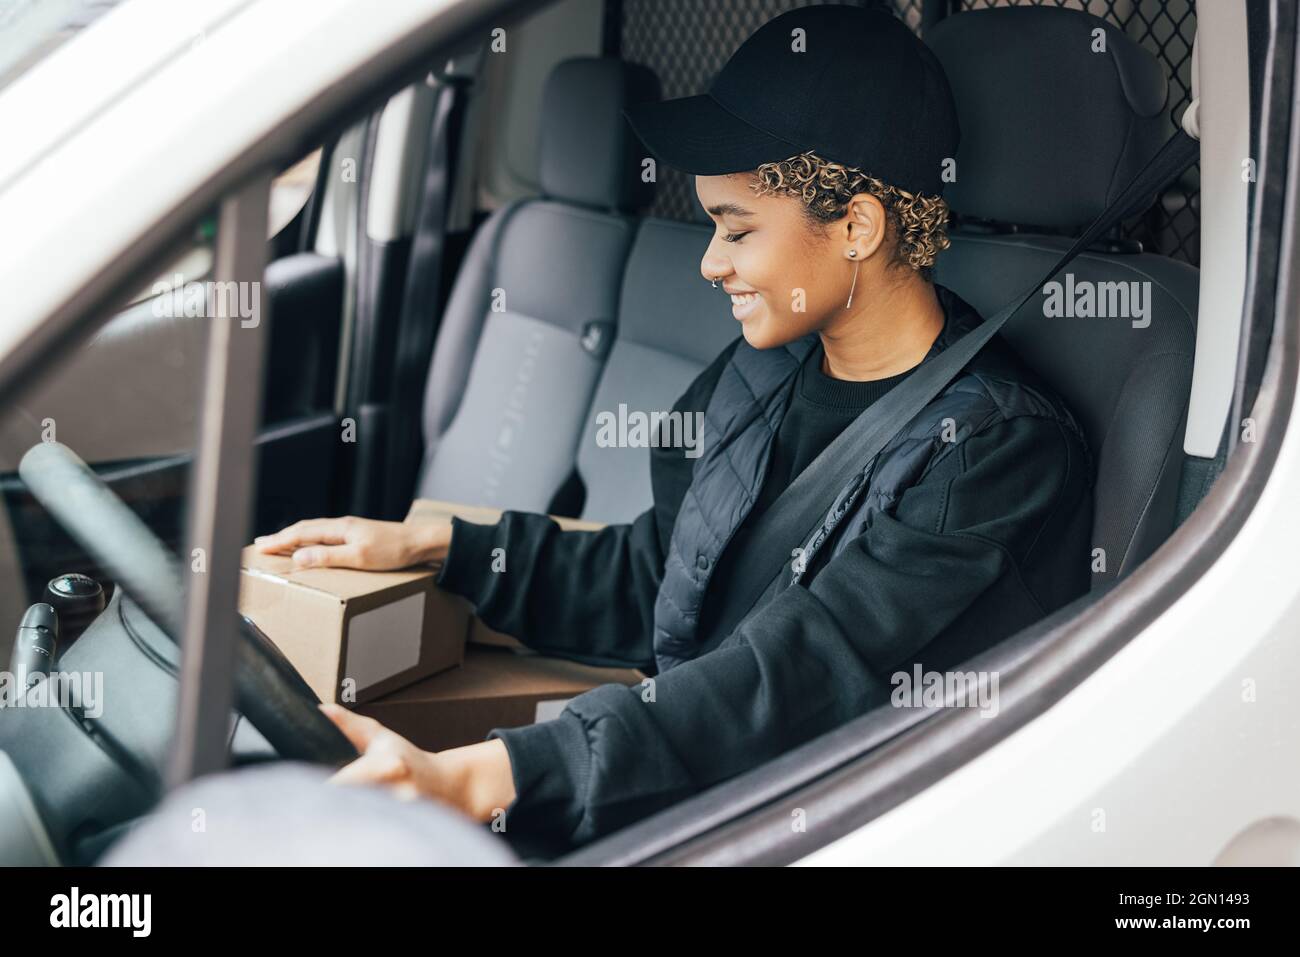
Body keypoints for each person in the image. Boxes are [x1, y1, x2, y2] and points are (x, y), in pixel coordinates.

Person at [255, 4, 1092, 849]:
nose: (710, 261)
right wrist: (443, 547)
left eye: (738, 229)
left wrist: (488, 775)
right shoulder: (761, 371)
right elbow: (661, 580)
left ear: (856, 227)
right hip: (693, 788)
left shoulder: (996, 450)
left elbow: (798, 679)